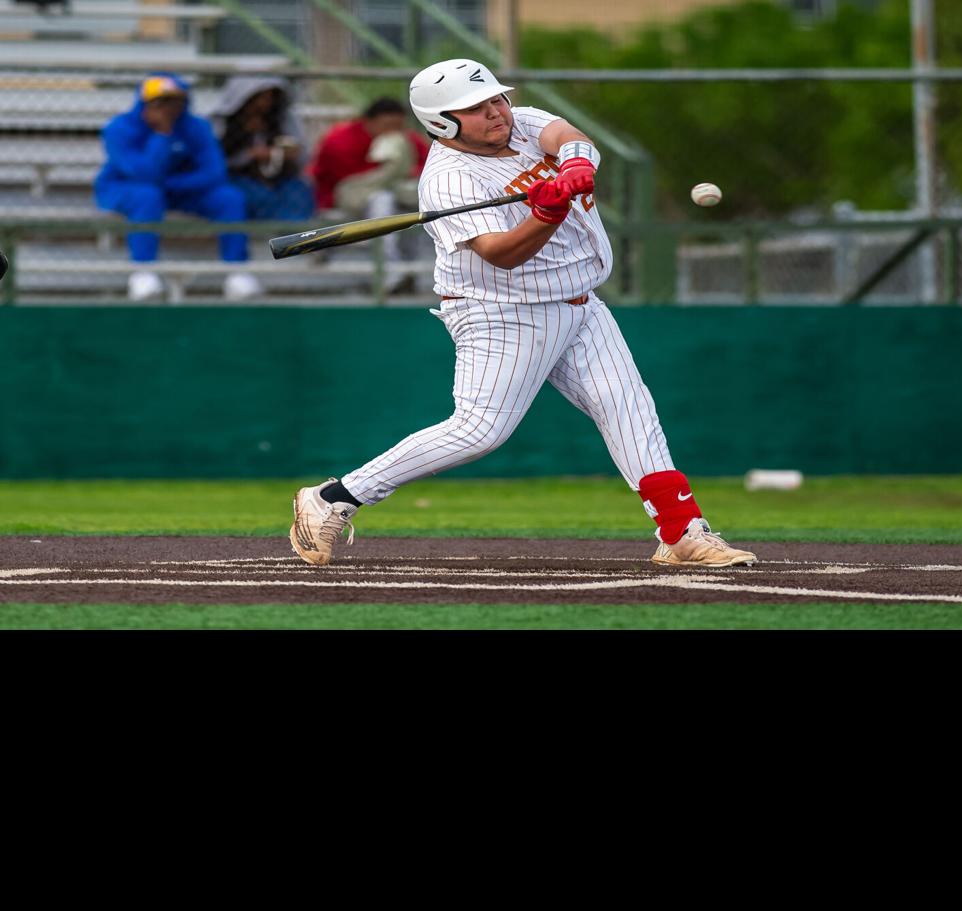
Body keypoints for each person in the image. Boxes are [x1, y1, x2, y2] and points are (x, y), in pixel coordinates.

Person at [288, 58, 756, 569]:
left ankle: (682, 531)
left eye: (496, 99)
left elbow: (567, 134)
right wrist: (547, 212)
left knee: (628, 408)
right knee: (478, 431)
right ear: (442, 122)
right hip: (503, 310)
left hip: (580, 301)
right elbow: (503, 253)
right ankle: (334, 498)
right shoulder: (449, 180)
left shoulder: (521, 120)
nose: (495, 112)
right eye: (475, 108)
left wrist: (577, 163)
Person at [93, 73, 262, 302]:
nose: (167, 108)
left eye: (174, 101)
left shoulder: (197, 127)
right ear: (144, 103)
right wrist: (162, 135)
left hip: (181, 190)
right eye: (159, 102)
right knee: (147, 197)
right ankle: (144, 273)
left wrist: (170, 185)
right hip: (126, 189)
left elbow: (214, 173)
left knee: (229, 198)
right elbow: (142, 174)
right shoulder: (119, 129)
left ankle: (237, 272)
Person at [308, 97, 429, 273]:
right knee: (382, 200)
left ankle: (407, 271)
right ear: (368, 121)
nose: (393, 131)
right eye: (387, 125)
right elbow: (347, 180)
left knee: (404, 208)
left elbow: (426, 163)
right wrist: (394, 168)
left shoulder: (404, 139)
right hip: (342, 198)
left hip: (391, 199)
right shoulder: (340, 139)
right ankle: (390, 269)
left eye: (398, 126)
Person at [212, 74, 315, 224]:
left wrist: (284, 154)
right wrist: (249, 155)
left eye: (269, 98)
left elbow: (302, 155)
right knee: (261, 198)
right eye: (259, 98)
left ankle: (297, 239)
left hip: (280, 178)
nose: (264, 104)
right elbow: (216, 161)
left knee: (298, 194)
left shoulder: (281, 121)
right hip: (238, 178)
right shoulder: (224, 124)